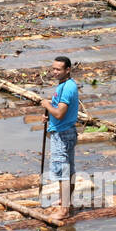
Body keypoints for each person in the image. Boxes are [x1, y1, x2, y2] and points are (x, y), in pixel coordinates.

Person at [40, 56, 79, 220]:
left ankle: (64, 211)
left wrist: (47, 105)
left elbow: (61, 113)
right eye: (53, 69)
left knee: (63, 172)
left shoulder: (67, 87)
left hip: (62, 135)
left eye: (58, 69)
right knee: (68, 170)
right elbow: (58, 112)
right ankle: (66, 202)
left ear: (67, 70)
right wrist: (50, 117)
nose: (54, 72)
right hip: (66, 131)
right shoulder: (65, 85)